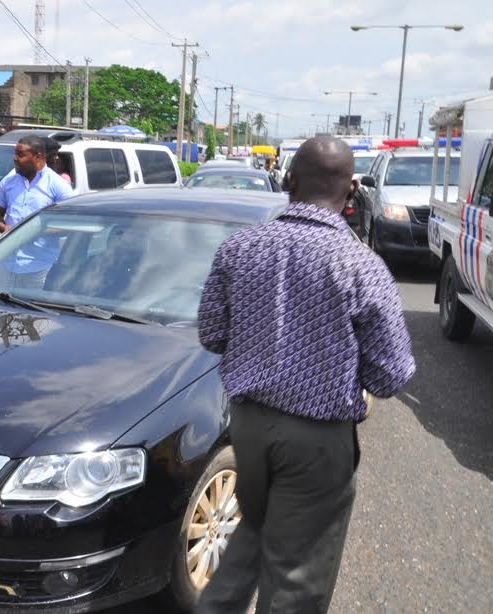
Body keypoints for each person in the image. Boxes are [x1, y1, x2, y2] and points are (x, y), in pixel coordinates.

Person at [194, 136, 416, 614]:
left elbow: (212, 333)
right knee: (297, 578)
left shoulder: (239, 248)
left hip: (248, 430)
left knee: (252, 534)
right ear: (351, 190)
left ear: (289, 180)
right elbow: (391, 375)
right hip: (316, 445)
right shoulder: (362, 266)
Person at [0, 135, 74, 289]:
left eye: (20, 155)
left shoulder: (58, 186)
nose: (15, 158)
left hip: (39, 267)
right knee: (2, 311)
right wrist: (2, 227)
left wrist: (36, 231)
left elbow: (71, 225)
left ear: (38, 157)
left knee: (31, 313)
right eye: (15, 154)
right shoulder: (9, 182)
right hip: (6, 263)